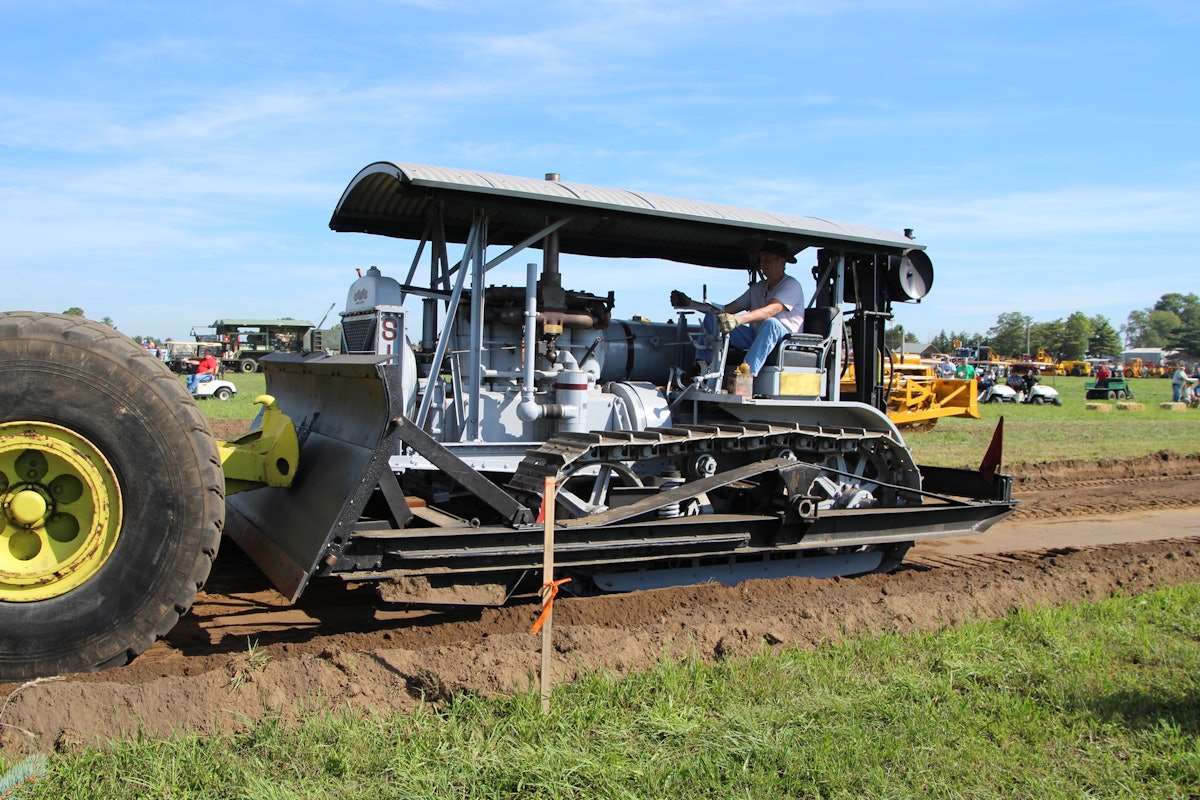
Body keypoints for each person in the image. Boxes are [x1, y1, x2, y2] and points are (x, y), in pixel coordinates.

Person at [671, 240, 805, 377]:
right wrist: (689, 303)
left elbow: (770, 310)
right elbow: (726, 310)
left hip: (785, 341)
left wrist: (737, 319)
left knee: (771, 323)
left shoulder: (792, 285)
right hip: (757, 337)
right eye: (761, 259)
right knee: (713, 318)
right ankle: (702, 368)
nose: (763, 264)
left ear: (782, 262)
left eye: (767, 259)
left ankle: (745, 375)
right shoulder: (758, 288)